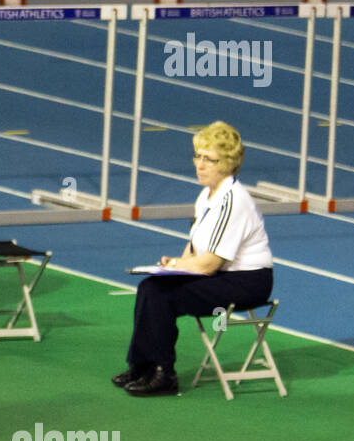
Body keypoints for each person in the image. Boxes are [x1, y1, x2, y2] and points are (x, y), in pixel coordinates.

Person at [114, 122, 275, 397]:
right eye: (197, 156)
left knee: (161, 295)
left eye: (208, 159)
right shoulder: (207, 196)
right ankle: (142, 365)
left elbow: (209, 265)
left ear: (226, 163)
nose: (199, 165)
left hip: (247, 281)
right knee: (150, 286)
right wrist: (174, 263)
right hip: (223, 274)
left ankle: (165, 375)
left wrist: (178, 267)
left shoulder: (232, 200)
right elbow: (194, 250)